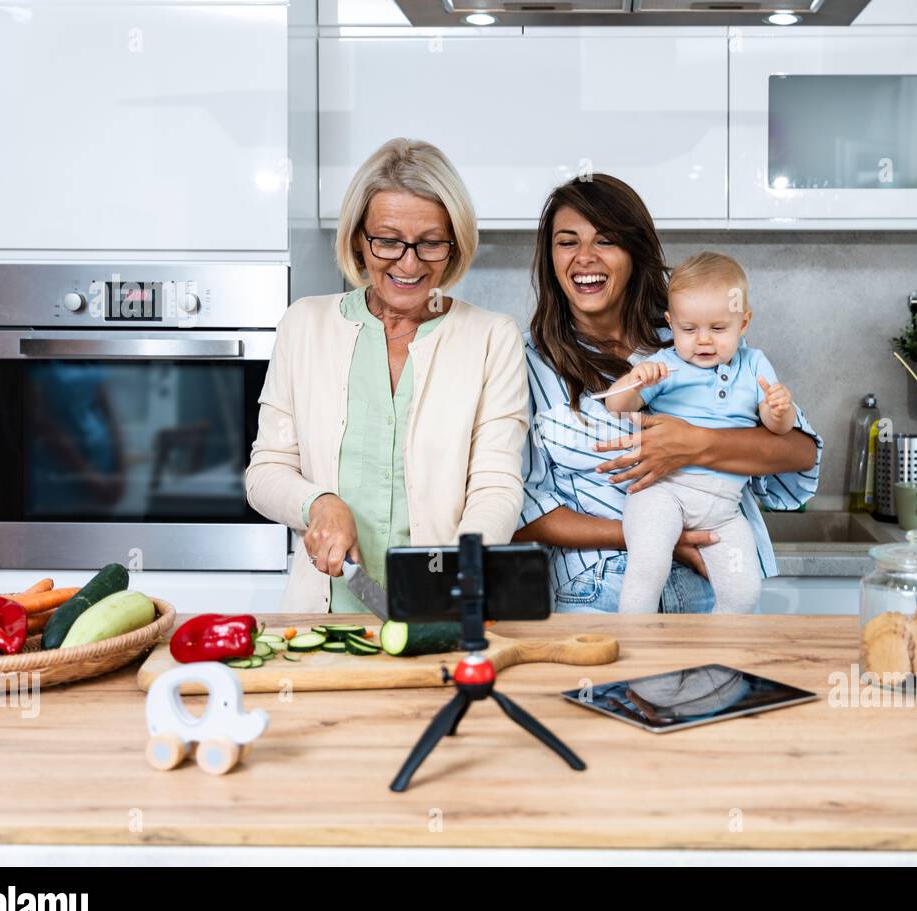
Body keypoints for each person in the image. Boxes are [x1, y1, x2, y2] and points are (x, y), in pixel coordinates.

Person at [514, 174, 822, 613]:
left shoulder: (695, 335)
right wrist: (655, 535)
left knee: (728, 678)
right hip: (600, 591)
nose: (585, 257)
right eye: (568, 242)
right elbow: (519, 514)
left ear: (634, 252)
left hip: (711, 584)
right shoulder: (525, 361)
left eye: (605, 241)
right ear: (550, 257)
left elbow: (798, 452)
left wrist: (697, 445)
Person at [246, 138, 528, 613]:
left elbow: (496, 485)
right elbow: (265, 471)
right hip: (320, 616)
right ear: (359, 237)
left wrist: (461, 564)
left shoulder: (492, 337)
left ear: (455, 241)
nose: (409, 262)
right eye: (389, 240)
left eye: (430, 242)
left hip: (441, 610)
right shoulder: (306, 324)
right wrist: (318, 502)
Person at [604, 252, 795, 613]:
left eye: (718, 329)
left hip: (724, 509)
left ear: (744, 322)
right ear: (670, 323)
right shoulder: (665, 365)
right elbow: (617, 406)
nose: (703, 341)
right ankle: (634, 640)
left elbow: (778, 430)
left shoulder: (754, 364)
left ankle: (717, 671)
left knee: (744, 590)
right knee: (648, 566)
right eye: (688, 330)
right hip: (662, 493)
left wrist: (778, 410)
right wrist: (633, 382)